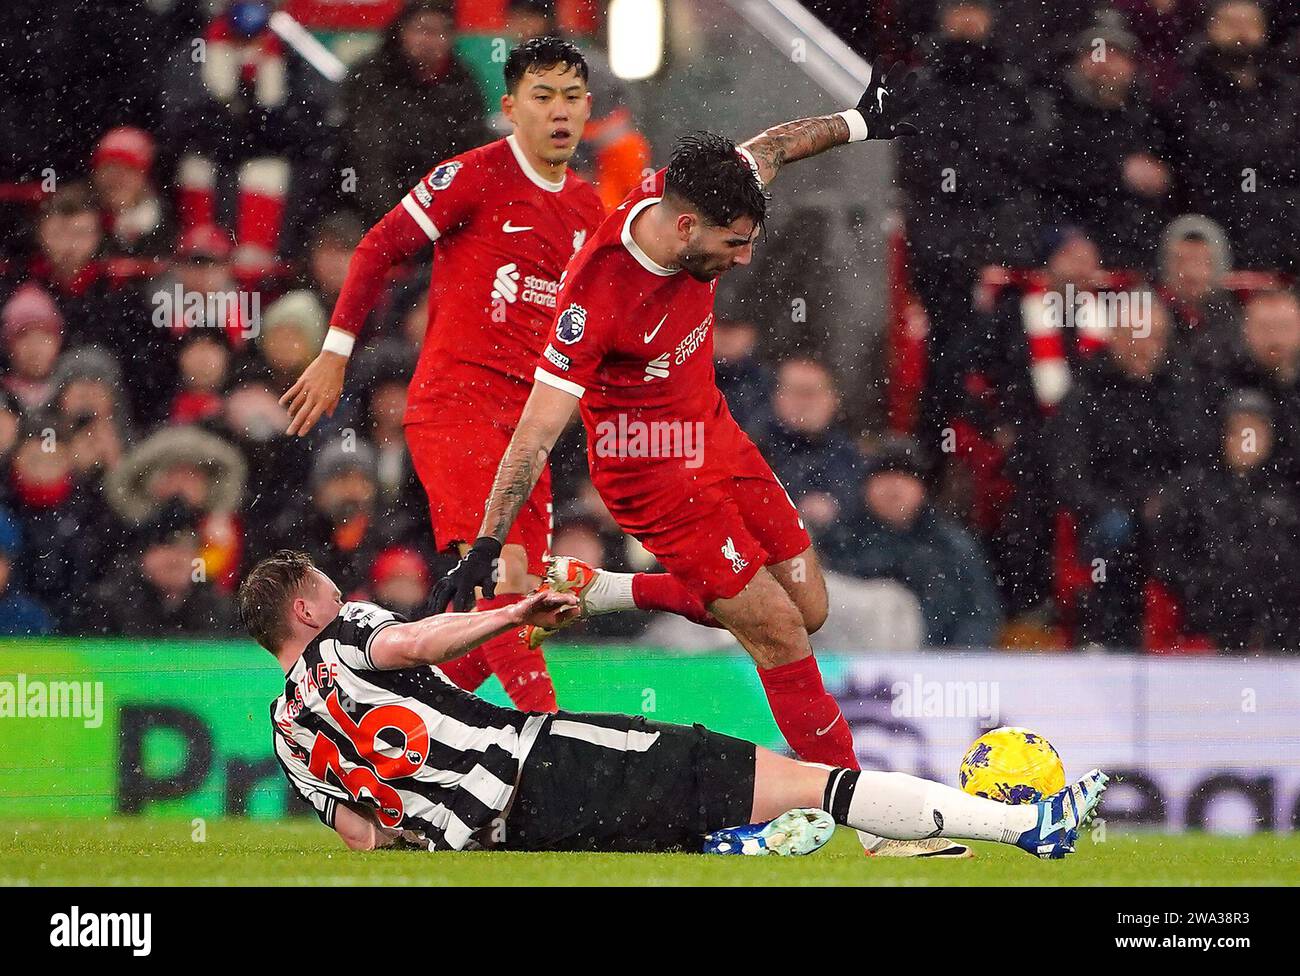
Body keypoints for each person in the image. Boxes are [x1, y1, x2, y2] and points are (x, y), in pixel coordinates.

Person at [429, 65, 971, 858]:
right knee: (784, 637)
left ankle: (613, 589)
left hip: (716, 436)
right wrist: (484, 543)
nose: (745, 260)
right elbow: (534, 434)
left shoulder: (709, 186)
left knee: (809, 607)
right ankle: (874, 827)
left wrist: (864, 121)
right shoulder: (597, 296)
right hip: (649, 475)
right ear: (686, 230)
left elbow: (781, 144)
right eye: (734, 244)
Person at [243, 549, 1107, 856]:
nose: (351, 595)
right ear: (309, 608)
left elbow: (364, 836)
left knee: (689, 825)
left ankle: (743, 844)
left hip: (496, 840)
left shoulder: (286, 733)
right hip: (538, 767)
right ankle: (1027, 828)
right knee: (807, 781)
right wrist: (511, 613)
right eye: (334, 588)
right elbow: (414, 642)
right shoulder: (350, 631)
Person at [281, 37, 605, 714]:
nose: (559, 113)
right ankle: (553, 756)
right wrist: (336, 353)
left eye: (572, 98)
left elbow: (591, 329)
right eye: (543, 97)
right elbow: (377, 247)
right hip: (457, 408)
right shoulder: (475, 176)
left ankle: (391, 726)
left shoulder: (587, 211)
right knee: (501, 584)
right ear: (511, 107)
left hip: (529, 433)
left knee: (517, 608)